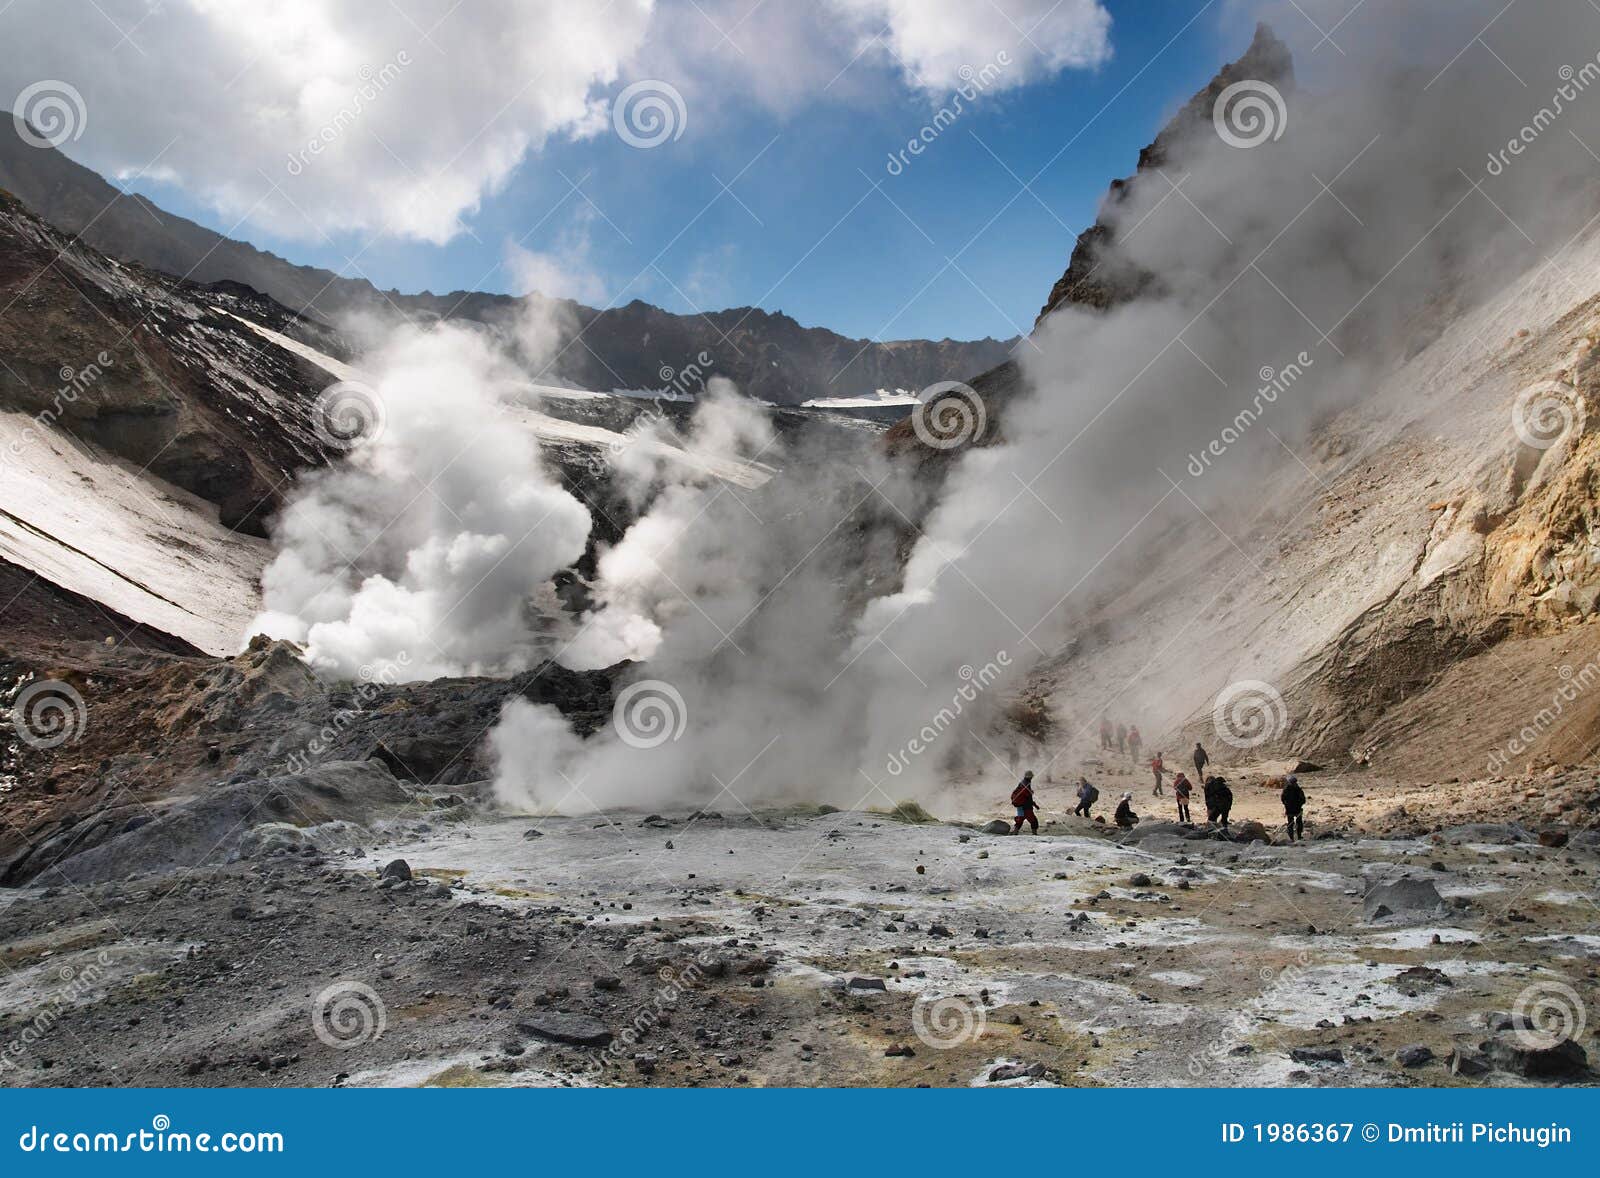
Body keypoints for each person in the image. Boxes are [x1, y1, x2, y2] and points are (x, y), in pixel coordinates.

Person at [1011, 770, 1040, 834]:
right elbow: (1028, 797)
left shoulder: (1022, 783)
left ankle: (1015, 832)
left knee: (1020, 820)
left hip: (1020, 806)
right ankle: (1034, 834)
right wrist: (1034, 804)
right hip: (1026, 807)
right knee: (1034, 821)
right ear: (1031, 777)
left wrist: (1034, 805)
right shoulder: (1026, 784)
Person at [1281, 774, 1306, 842]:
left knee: (1290, 823)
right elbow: (1303, 800)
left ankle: (1291, 838)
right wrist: (1300, 805)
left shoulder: (1286, 790)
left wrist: (1286, 805)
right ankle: (1299, 836)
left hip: (1289, 809)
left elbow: (1283, 799)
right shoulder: (1298, 789)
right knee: (1299, 823)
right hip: (1297, 808)